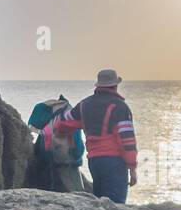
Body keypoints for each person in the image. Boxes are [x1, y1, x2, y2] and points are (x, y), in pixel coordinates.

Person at [61, 69, 137, 203]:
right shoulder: (119, 106)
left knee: (100, 200)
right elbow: (127, 140)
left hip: (94, 161)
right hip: (114, 162)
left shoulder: (84, 105)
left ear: (98, 85)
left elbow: (64, 123)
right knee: (116, 204)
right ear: (115, 85)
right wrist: (132, 168)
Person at [26, 96, 85, 192]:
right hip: (65, 163)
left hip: (45, 161)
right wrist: (77, 159)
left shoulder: (47, 121)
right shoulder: (68, 117)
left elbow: (38, 146)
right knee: (74, 193)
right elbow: (77, 147)